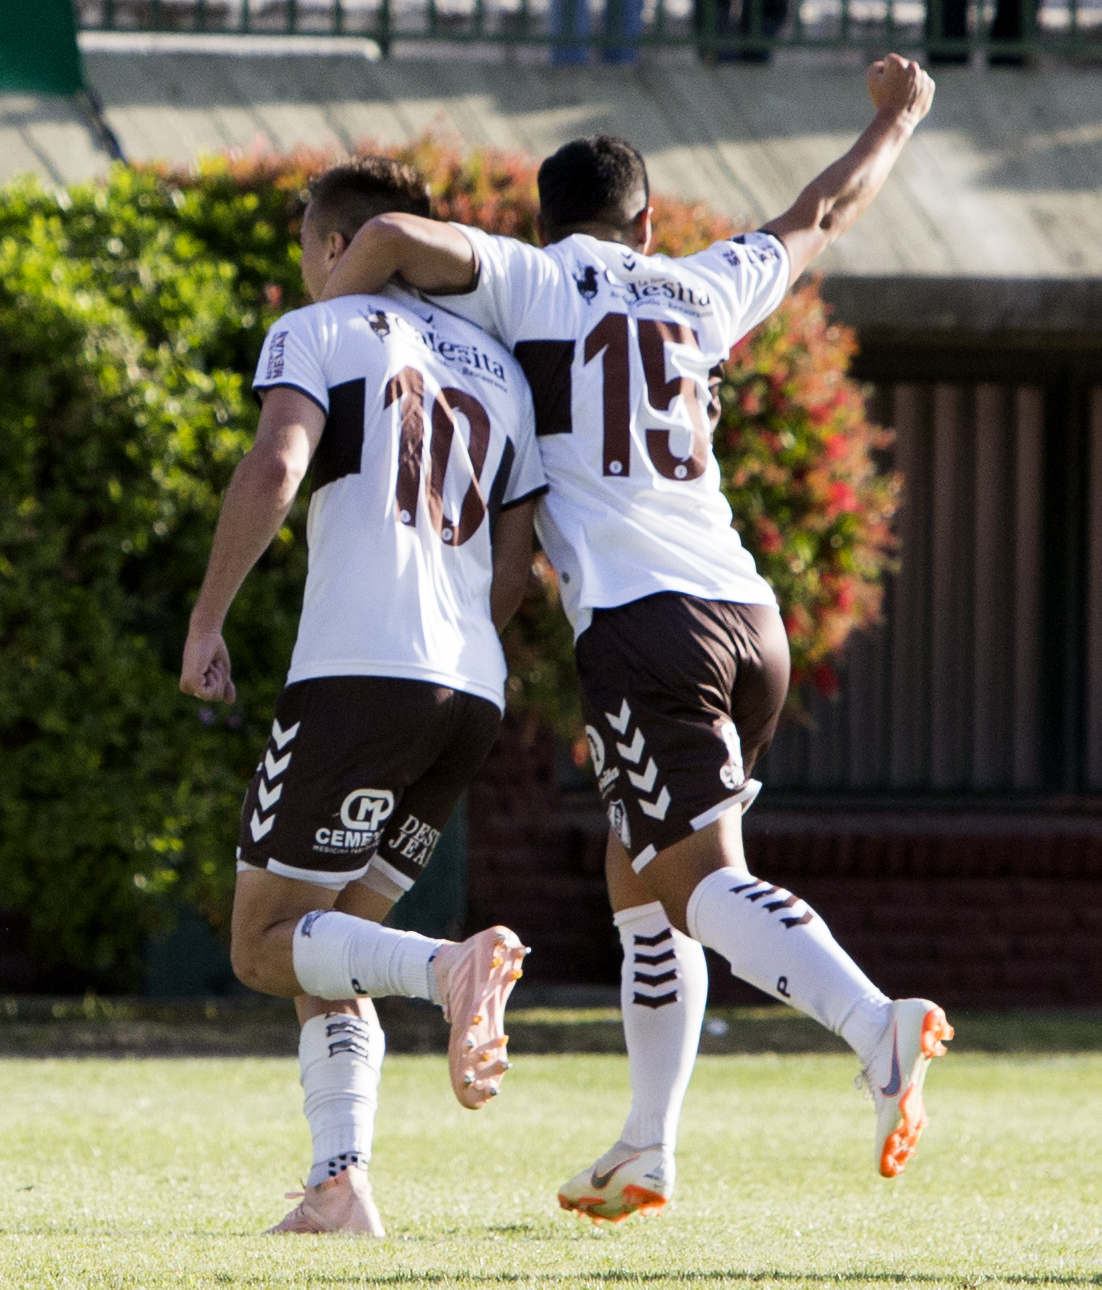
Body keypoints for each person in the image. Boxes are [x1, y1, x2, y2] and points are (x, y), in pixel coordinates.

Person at [315, 55, 950, 1222]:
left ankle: (876, 1025)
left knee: (700, 881)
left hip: (644, 629)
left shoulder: (531, 278)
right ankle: (646, 1146)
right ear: (648, 224)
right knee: (640, 876)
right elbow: (822, 213)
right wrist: (898, 120)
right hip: (748, 621)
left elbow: (397, 234)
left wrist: (328, 327)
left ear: (546, 222)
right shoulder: (700, 286)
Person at [180, 156, 548, 1236]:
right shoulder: (502, 370)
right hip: (468, 690)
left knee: (262, 941)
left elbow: (275, 465)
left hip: (359, 675)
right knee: (326, 947)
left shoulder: (320, 327)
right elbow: (516, 575)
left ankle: (448, 967)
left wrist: (206, 621)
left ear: (336, 247)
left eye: (308, 245)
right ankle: (339, 1186)